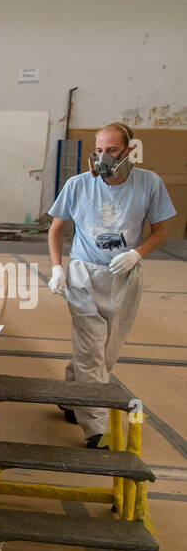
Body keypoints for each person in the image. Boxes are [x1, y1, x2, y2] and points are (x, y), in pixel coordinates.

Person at [47, 122, 175, 448]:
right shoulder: (78, 185)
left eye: (111, 151)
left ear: (129, 150)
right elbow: (56, 229)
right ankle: (97, 429)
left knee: (106, 351)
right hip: (83, 274)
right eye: (99, 150)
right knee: (91, 350)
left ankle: (72, 395)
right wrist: (57, 268)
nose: (103, 157)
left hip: (124, 275)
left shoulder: (149, 184)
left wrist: (136, 253)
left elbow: (159, 231)